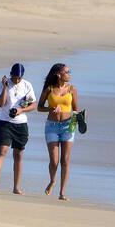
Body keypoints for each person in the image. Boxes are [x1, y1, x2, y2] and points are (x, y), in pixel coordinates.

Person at [0, 63, 36, 194]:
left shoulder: (27, 85)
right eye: (14, 77)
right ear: (10, 74)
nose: (16, 80)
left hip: (21, 124)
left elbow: (33, 105)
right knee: (2, 151)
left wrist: (21, 110)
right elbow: (0, 104)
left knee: (18, 154)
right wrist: (4, 87)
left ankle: (16, 187)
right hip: (5, 122)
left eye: (19, 78)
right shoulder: (4, 83)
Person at [38, 62, 79, 200]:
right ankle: (52, 181)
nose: (69, 74)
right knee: (54, 161)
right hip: (52, 126)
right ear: (58, 75)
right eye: (67, 72)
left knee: (65, 160)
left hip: (69, 126)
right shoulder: (49, 89)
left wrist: (79, 118)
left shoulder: (72, 89)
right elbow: (39, 107)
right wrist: (51, 109)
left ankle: (62, 192)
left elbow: (75, 109)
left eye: (69, 71)